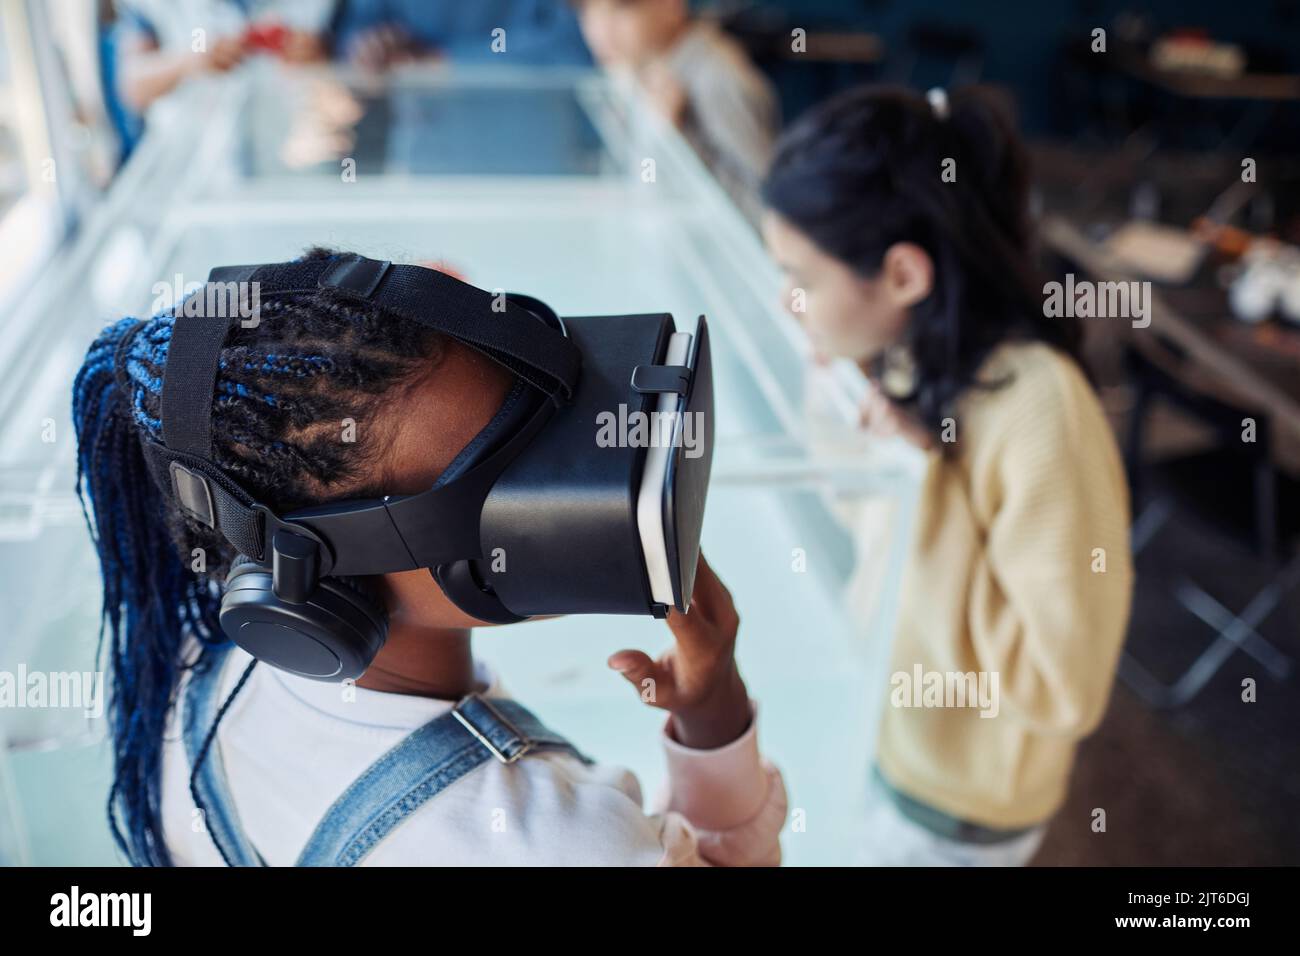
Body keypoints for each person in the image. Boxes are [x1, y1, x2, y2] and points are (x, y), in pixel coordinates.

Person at [72, 249, 785, 866]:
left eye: (531, 400)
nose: (578, 460)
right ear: (330, 573)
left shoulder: (186, 674)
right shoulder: (564, 846)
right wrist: (715, 720)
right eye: (498, 473)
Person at [760, 85, 1134, 865]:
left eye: (802, 277)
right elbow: (864, 512)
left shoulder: (1041, 411)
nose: (786, 300)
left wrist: (930, 482)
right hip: (886, 738)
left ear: (901, 276)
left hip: (956, 809)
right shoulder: (905, 352)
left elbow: (1065, 686)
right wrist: (840, 394)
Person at [572, 0, 778, 222]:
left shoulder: (718, 79)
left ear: (672, 5)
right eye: (587, 11)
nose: (601, 31)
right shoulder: (634, 68)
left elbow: (770, 213)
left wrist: (676, 142)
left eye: (621, 8)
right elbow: (646, 184)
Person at [334, 0, 591, 70]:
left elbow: (575, 43)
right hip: (427, 151)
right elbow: (353, 33)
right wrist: (367, 46)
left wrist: (443, 62)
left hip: (539, 152)